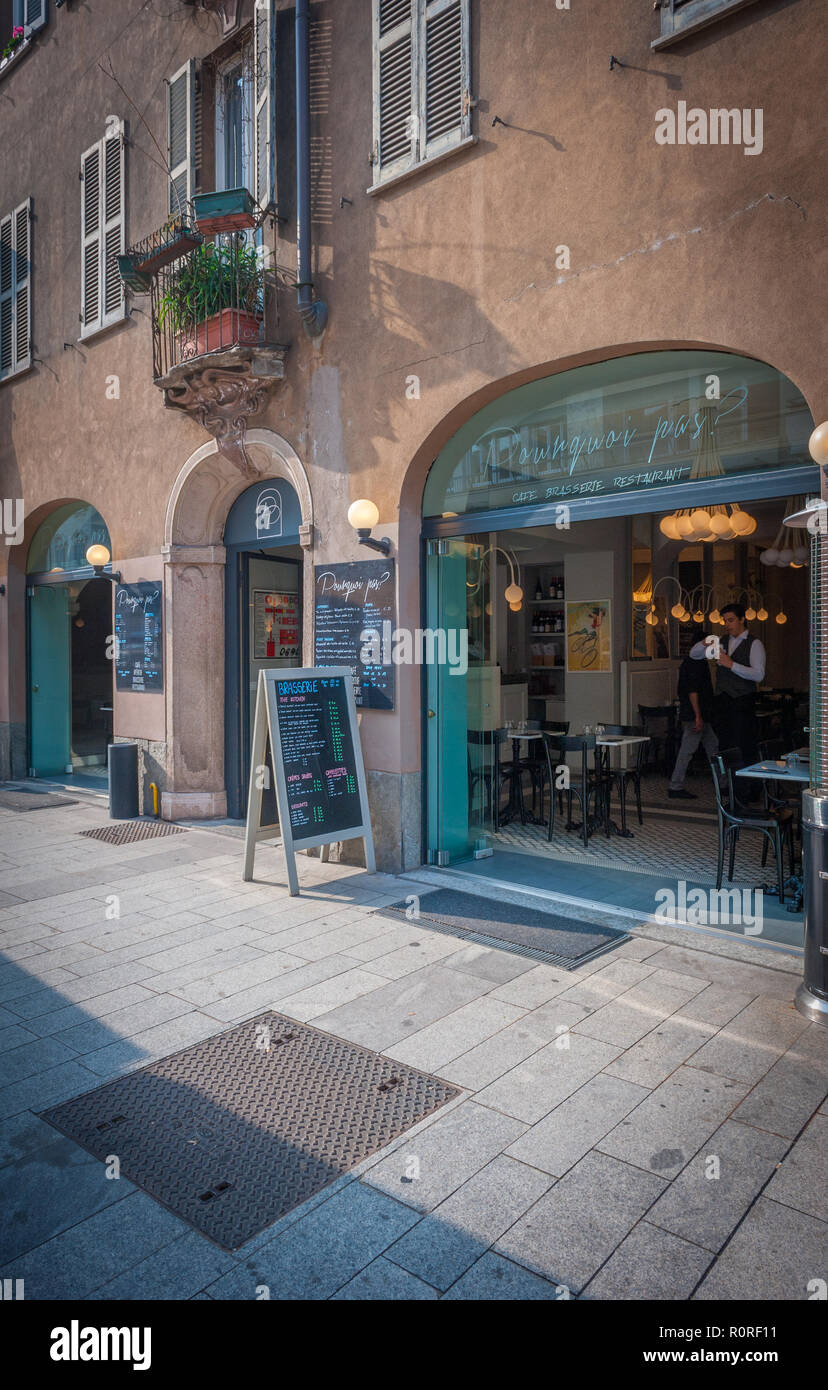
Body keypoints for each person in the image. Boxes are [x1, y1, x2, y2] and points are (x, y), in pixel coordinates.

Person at [688, 602, 766, 768]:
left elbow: (759, 675)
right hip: (723, 702)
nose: (727, 625)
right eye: (725, 621)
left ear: (742, 619)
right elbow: (694, 655)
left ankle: (747, 791)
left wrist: (731, 665)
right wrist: (705, 643)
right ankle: (729, 789)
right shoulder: (721, 642)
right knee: (725, 747)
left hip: (743, 702)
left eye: (730, 620)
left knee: (744, 748)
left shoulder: (754, 643)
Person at [668, 643, 719, 798]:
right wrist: (698, 716)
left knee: (713, 747)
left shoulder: (690, 663)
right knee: (690, 750)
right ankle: (675, 785)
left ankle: (722, 782)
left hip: (696, 714)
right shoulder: (696, 665)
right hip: (696, 715)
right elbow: (693, 692)